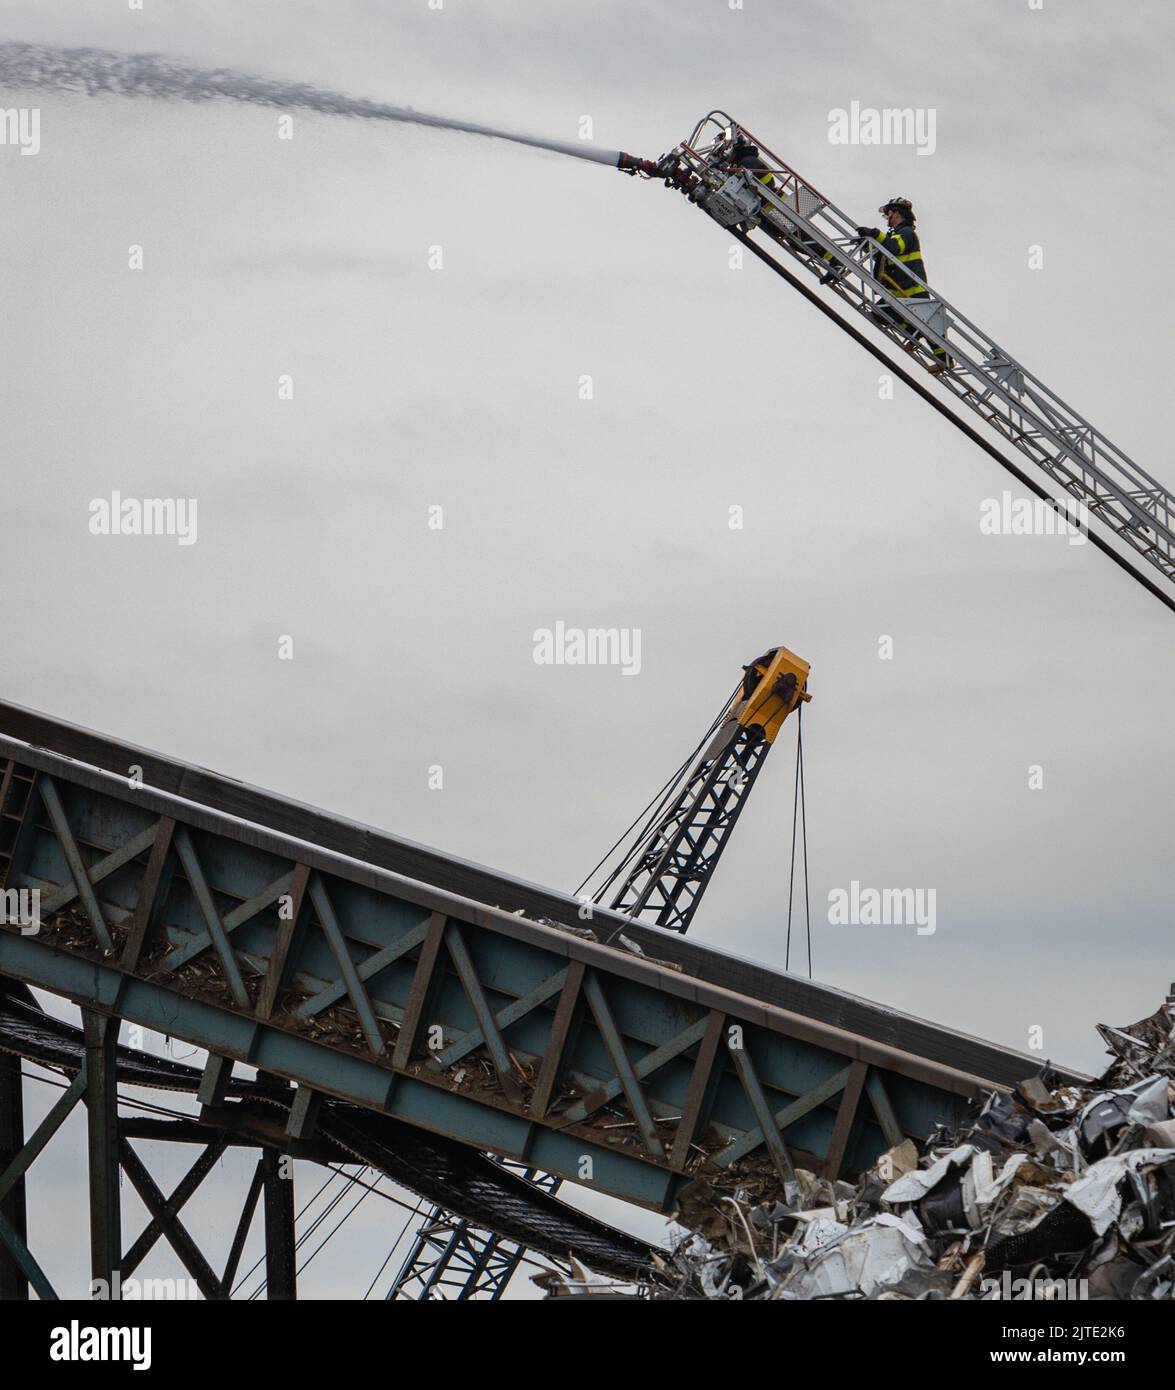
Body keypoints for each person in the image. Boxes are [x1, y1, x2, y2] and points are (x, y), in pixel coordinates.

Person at [856, 197, 950, 373]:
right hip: (898, 290)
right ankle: (915, 333)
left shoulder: (906, 233)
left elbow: (894, 248)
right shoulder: (895, 234)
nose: (887, 218)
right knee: (880, 314)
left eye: (888, 214)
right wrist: (866, 247)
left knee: (929, 325)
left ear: (897, 213)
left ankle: (944, 359)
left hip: (912, 289)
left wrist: (874, 233)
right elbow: (885, 257)